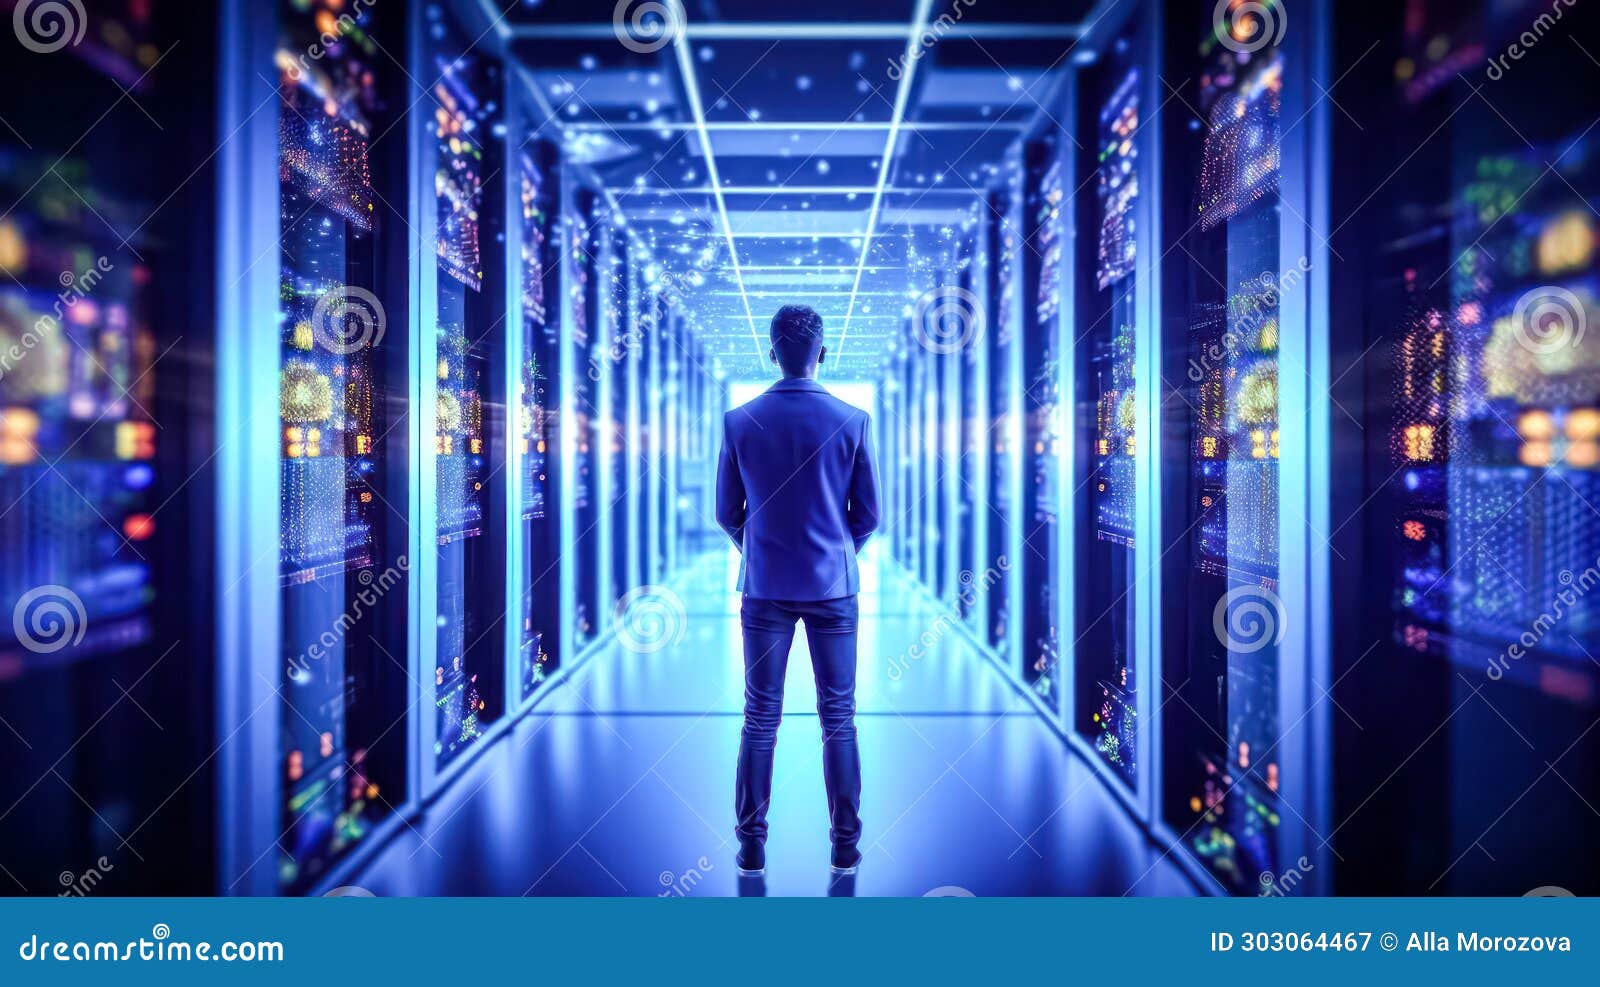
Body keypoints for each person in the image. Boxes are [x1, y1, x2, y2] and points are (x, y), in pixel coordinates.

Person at [715, 304, 880, 878]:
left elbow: (724, 513)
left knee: (760, 718)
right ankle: (845, 848)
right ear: (823, 352)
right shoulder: (852, 419)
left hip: (764, 591)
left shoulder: (739, 421)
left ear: (771, 351)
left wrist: (762, 549)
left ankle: (751, 848)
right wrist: (833, 553)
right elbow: (870, 515)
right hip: (834, 591)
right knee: (839, 717)